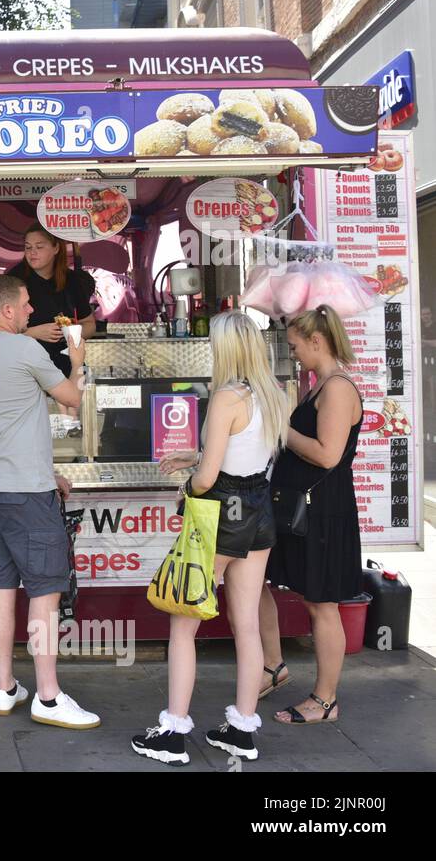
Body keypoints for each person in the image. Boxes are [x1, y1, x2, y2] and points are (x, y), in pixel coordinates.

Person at [132, 311, 290, 766]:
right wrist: (197, 455)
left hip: (219, 513)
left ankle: (173, 731)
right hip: (258, 511)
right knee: (246, 626)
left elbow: (207, 479)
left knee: (184, 623)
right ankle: (242, 730)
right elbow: (244, 454)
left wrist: (187, 484)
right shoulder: (271, 393)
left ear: (225, 349)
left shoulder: (225, 396)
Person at [0, 275, 99, 730]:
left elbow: (10, 422)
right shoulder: (25, 350)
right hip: (25, 492)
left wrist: (48, 473)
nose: (30, 309)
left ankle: (4, 689)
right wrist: (76, 359)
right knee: (44, 591)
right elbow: (72, 400)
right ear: (7, 312)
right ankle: (49, 697)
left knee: (1, 584)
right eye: (25, 304)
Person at [257, 304, 363, 726]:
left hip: (324, 514)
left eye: (297, 344)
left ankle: (325, 700)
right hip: (307, 511)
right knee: (297, 593)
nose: (294, 352)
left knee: (323, 605)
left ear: (317, 341)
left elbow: (327, 454)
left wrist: (283, 428)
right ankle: (274, 666)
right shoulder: (320, 387)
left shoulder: (337, 388)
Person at [8, 223, 97, 377]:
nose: (32, 253)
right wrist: (33, 332)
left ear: (56, 248)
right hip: (24, 365)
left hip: (65, 363)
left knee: (77, 399)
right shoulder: (13, 279)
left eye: (39, 247)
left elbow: (89, 324)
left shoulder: (72, 280)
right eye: (28, 247)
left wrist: (71, 333)